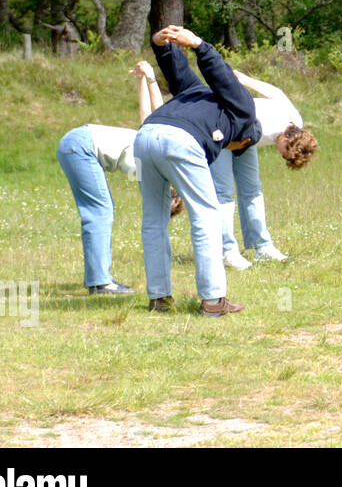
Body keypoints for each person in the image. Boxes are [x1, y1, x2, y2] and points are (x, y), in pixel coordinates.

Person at [135, 25, 259, 317]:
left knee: (154, 219)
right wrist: (199, 45)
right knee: (206, 215)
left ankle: (159, 299)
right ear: (245, 136)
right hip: (180, 140)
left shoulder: (193, 91)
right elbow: (223, 75)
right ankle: (214, 300)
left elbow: (178, 70)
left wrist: (162, 46)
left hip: (144, 136)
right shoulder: (244, 111)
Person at [56, 61, 183, 295]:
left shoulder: (150, 167)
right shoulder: (154, 161)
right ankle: (100, 283)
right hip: (81, 145)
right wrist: (147, 79)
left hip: (76, 143)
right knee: (100, 212)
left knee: (99, 211)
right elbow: (155, 114)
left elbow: (150, 116)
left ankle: (96, 279)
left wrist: (144, 78)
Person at [211, 70, 318, 269]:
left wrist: (246, 80)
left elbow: (277, 93)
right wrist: (242, 81)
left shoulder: (296, 121)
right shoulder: (265, 129)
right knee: (223, 193)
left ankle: (263, 247)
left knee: (252, 190)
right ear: (285, 139)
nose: (281, 155)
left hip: (245, 138)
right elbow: (231, 138)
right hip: (222, 131)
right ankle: (227, 251)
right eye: (284, 153)